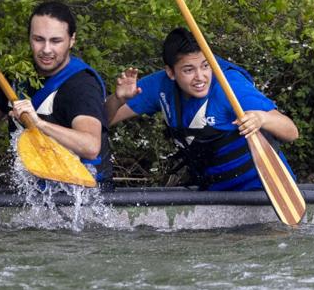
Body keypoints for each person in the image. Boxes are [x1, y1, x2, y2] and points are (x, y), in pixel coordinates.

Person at [105, 28, 298, 191]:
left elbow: (291, 131)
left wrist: (262, 118)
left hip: (263, 189)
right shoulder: (159, 86)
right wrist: (117, 99)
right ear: (171, 72)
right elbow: (102, 121)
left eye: (205, 66)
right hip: (213, 196)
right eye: (189, 70)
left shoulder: (231, 86)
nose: (200, 77)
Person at [0, 1, 112, 188]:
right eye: (38, 39)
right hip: (36, 192)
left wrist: (40, 124)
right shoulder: (18, 77)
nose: (46, 49)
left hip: (84, 195)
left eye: (56, 41)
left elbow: (91, 147)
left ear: (72, 40)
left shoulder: (81, 85)